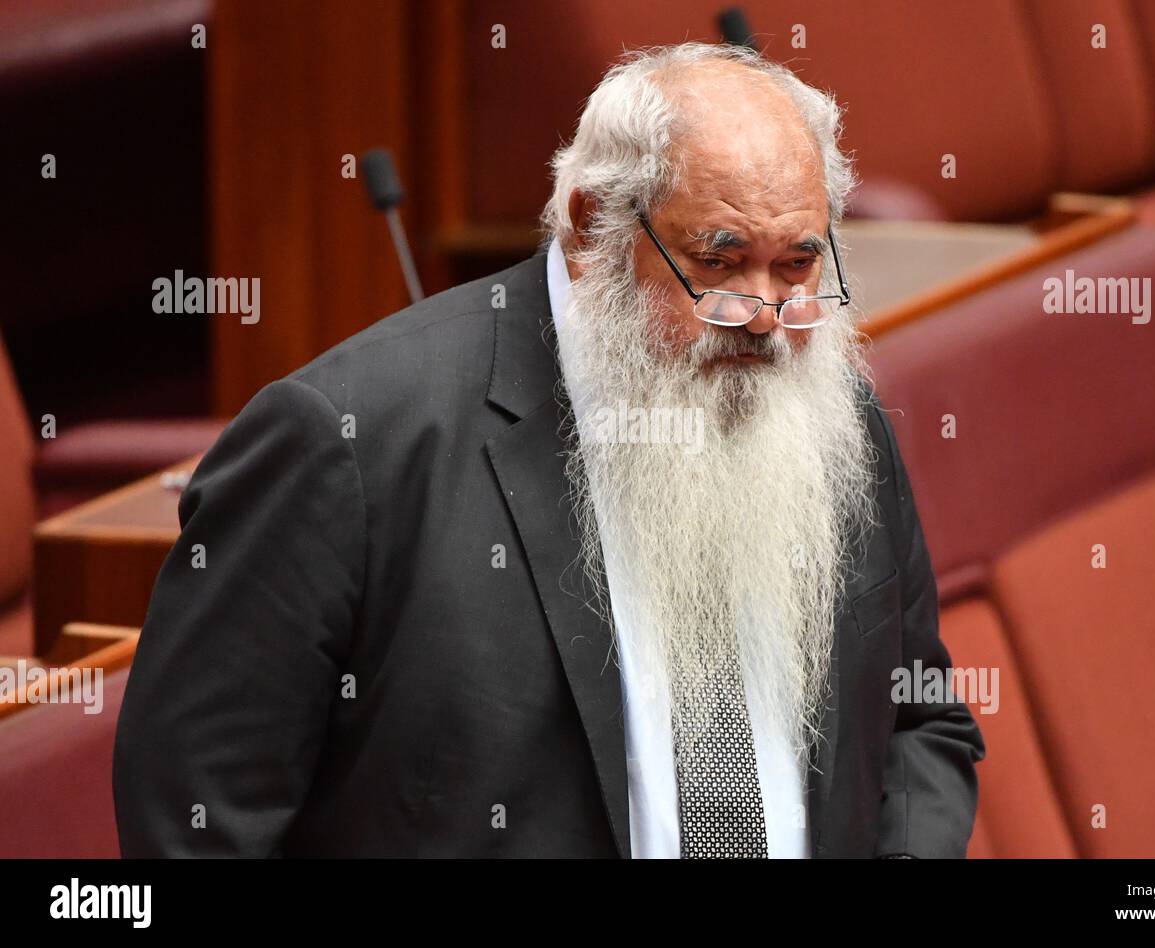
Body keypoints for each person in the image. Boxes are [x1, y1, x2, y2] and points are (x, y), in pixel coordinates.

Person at [113, 42, 984, 858]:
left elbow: (917, 722)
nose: (764, 316)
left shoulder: (823, 405)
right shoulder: (348, 447)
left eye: (796, 266)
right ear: (592, 222)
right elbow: (195, 825)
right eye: (717, 265)